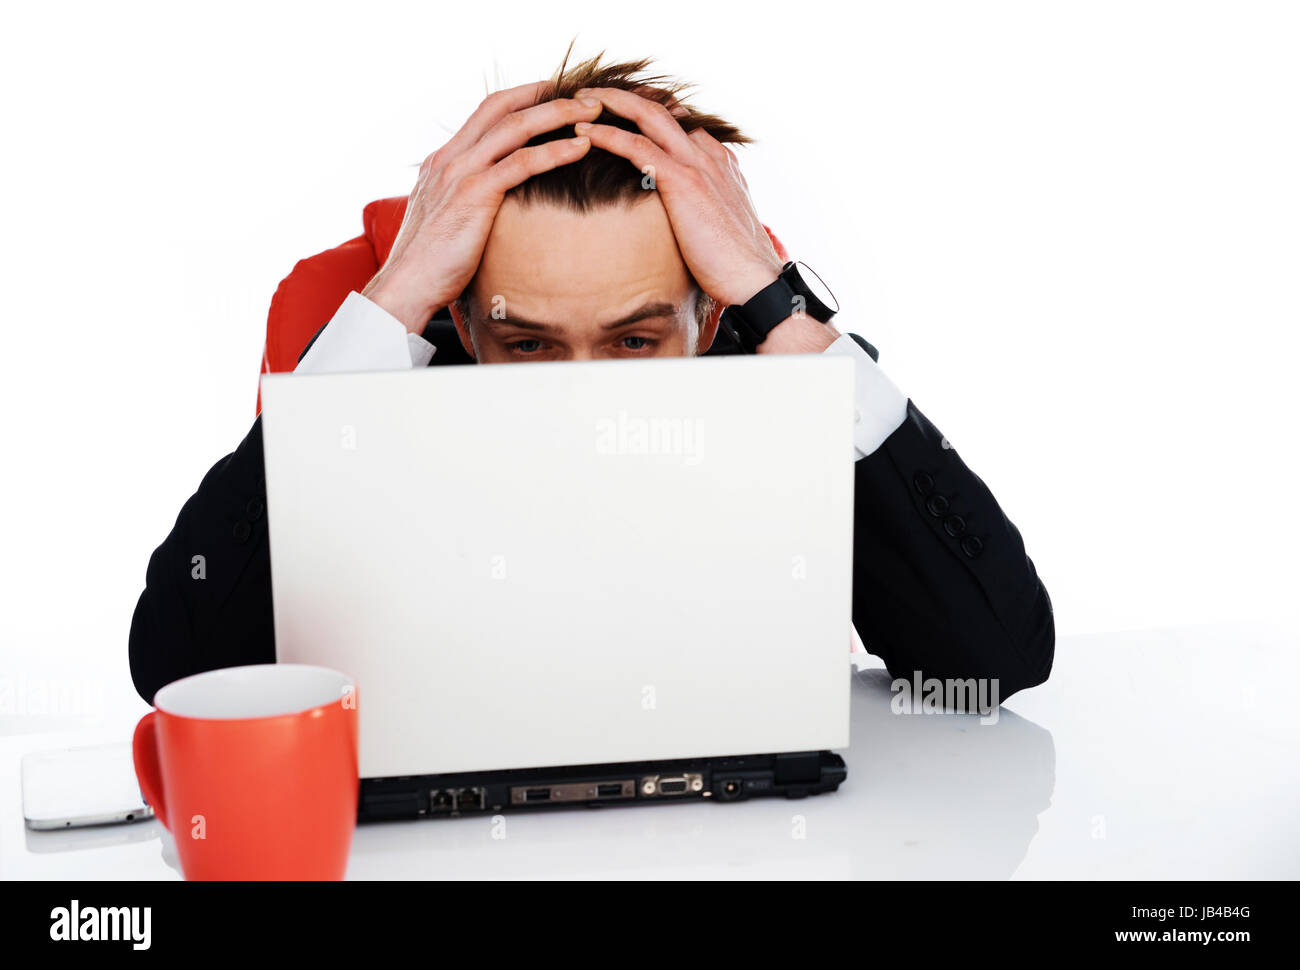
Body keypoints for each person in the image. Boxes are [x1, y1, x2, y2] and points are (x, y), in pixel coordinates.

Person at [129, 51, 1054, 706]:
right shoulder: (374, 356)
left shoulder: (763, 349)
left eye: (633, 342)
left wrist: (784, 314)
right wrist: (394, 297)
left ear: (708, 320)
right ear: (461, 319)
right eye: (527, 344)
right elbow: (187, 674)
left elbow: (995, 658)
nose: (581, 398)